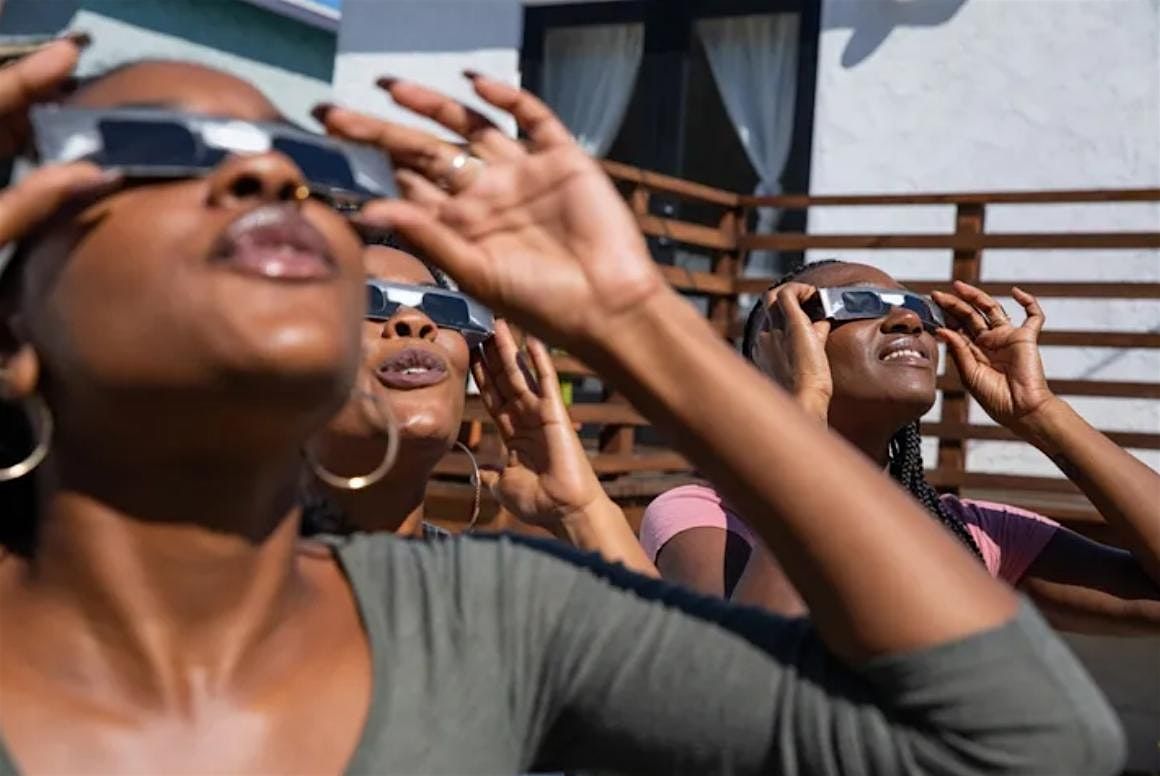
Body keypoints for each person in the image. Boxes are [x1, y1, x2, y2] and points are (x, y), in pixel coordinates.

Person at [0, 49, 1124, 775]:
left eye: (296, 168)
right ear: (15, 333)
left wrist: (632, 318)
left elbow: (1024, 740)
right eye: (154, 154)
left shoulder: (490, 617)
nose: (264, 184)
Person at [642, 259, 1160, 634]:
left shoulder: (969, 535)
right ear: (775, 355)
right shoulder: (709, 516)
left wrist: (1040, 414)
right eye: (856, 303)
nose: (909, 320)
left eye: (916, 307)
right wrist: (805, 409)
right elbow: (744, 682)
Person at [302, 236, 657, 574]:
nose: (416, 321)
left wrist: (580, 510)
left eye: (440, 307)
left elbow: (662, 621)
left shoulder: (501, 590)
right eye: (365, 298)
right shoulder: (268, 580)